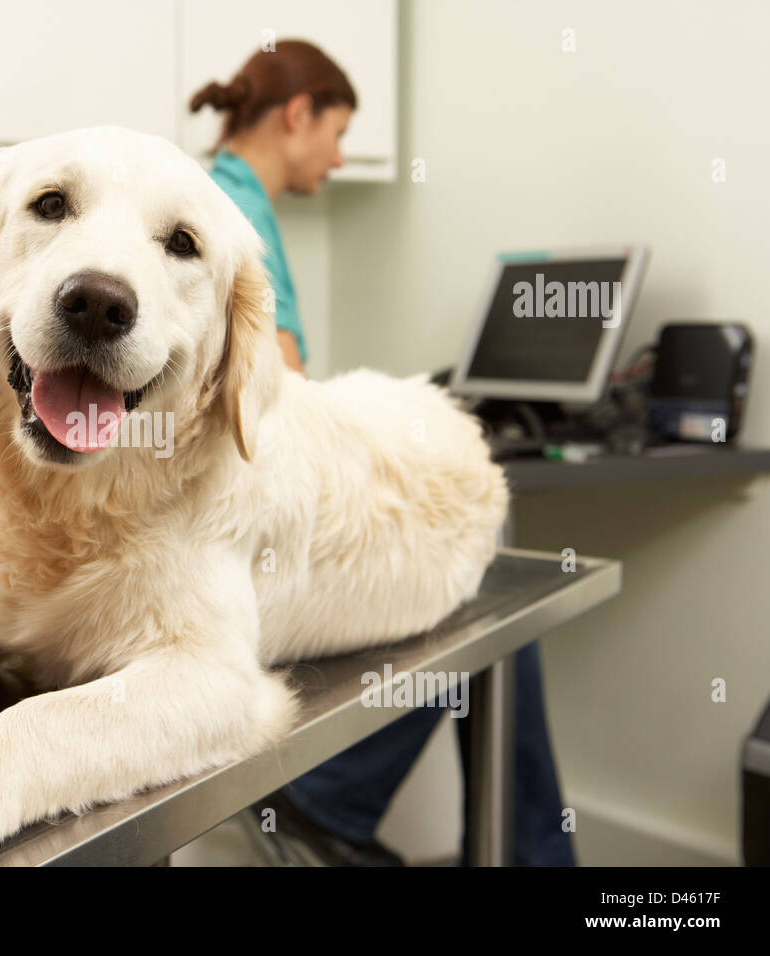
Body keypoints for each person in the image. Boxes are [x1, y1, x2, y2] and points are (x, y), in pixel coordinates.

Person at [190, 40, 575, 867]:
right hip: (232, 539)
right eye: (337, 132)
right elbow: (277, 404)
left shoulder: (219, 196)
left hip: (222, 523)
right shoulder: (236, 215)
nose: (338, 156)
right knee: (477, 559)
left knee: (478, 571)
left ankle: (361, 810)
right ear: (298, 115)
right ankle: (335, 804)